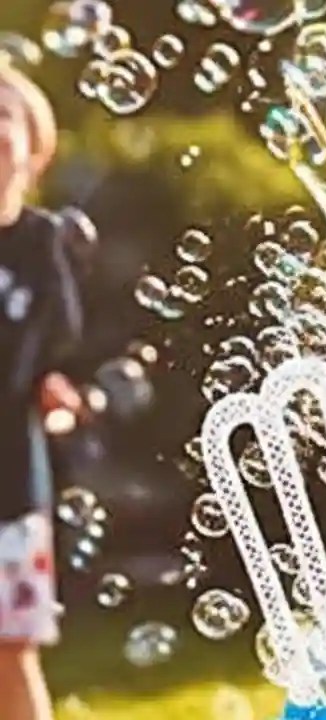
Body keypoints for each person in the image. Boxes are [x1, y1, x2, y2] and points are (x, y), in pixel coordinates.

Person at [0, 62, 82, 720]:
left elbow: (57, 337)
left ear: (34, 147)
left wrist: (54, 383)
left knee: (13, 649)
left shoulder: (40, 240)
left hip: (11, 486)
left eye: (6, 116)